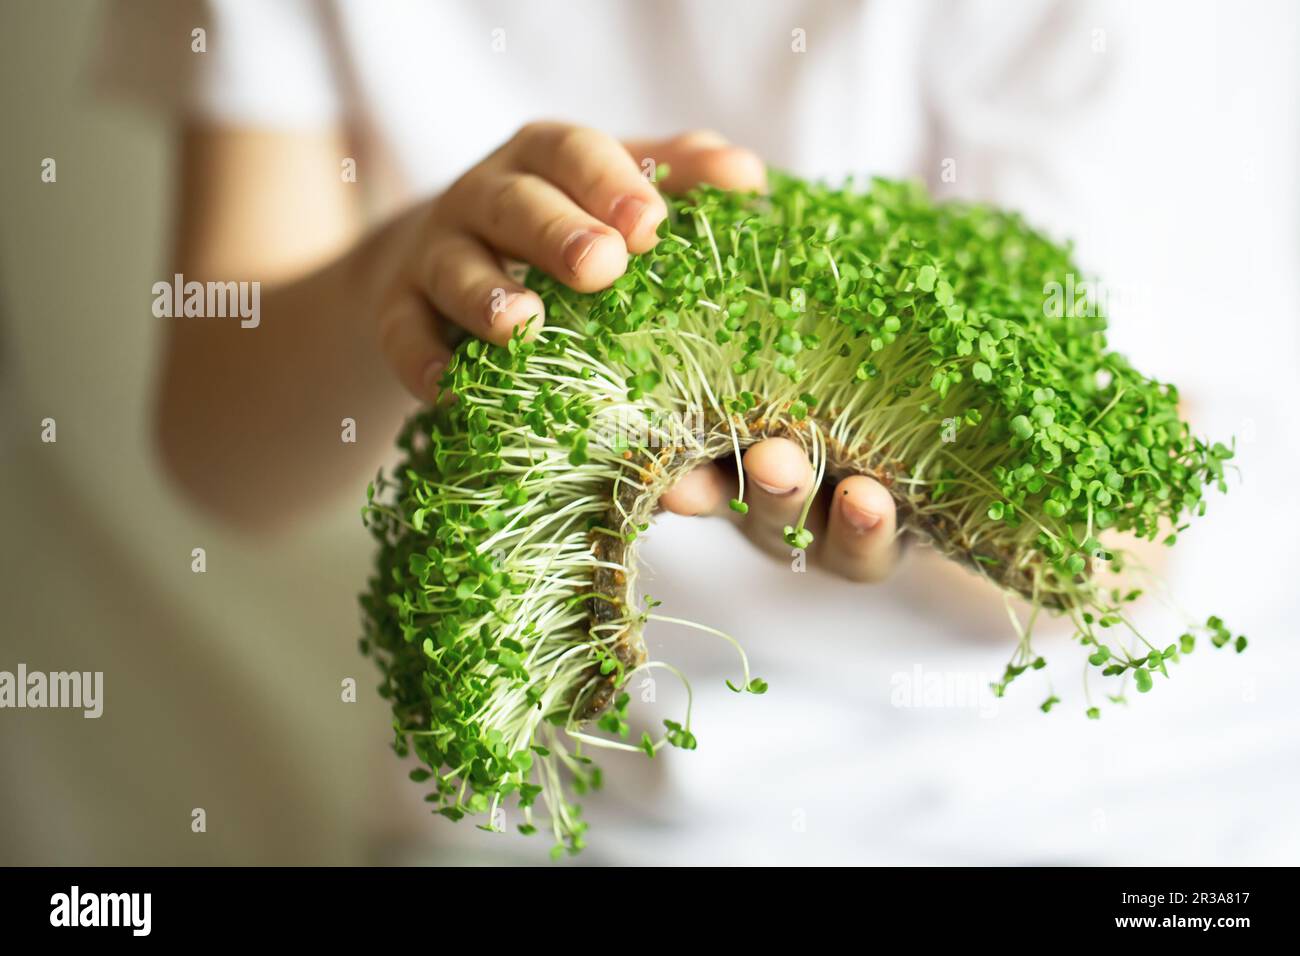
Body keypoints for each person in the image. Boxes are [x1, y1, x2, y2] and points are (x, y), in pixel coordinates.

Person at [100, 0, 1256, 864]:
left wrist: (921, 502)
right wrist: (381, 291)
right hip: (577, 816)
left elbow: (1114, 547)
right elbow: (219, 453)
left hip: (1101, 803)